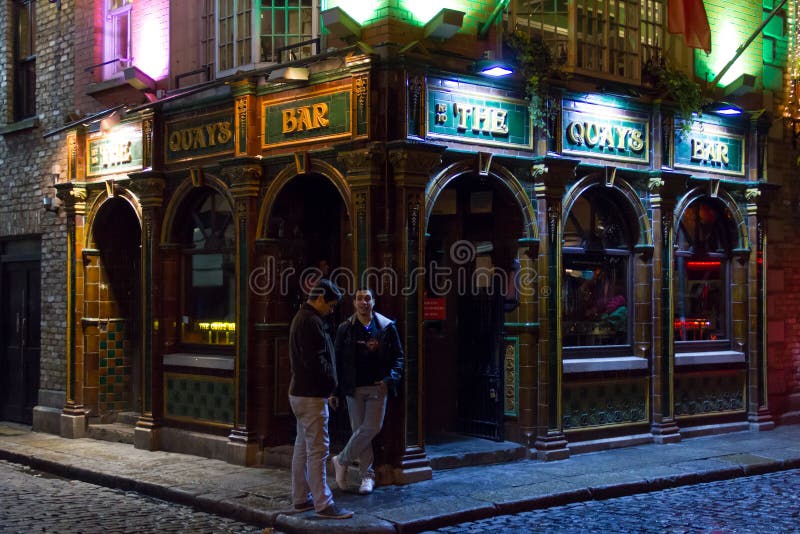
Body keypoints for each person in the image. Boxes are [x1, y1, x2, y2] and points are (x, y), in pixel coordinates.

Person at [288, 278, 353, 519]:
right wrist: (331, 384)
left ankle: (301, 498)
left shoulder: (303, 318)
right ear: (320, 298)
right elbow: (316, 361)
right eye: (331, 305)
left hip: (300, 392)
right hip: (311, 395)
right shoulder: (311, 321)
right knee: (318, 450)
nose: (332, 310)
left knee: (302, 448)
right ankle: (323, 502)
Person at [332, 288, 404, 495]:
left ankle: (341, 460)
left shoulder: (386, 327)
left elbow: (399, 357)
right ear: (354, 303)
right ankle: (367, 476)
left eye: (367, 298)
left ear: (373, 302)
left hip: (377, 386)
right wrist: (334, 391)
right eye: (359, 299)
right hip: (353, 388)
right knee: (360, 433)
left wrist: (390, 379)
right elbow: (337, 360)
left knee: (371, 428)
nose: (364, 302)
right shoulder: (345, 328)